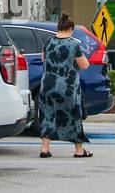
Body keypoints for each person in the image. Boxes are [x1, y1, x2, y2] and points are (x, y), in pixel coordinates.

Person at [38, 14, 92, 159]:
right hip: (68, 87)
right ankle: (79, 150)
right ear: (71, 29)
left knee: (48, 115)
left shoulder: (48, 42)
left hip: (48, 85)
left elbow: (43, 59)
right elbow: (84, 65)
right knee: (73, 116)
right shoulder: (74, 44)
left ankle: (45, 148)